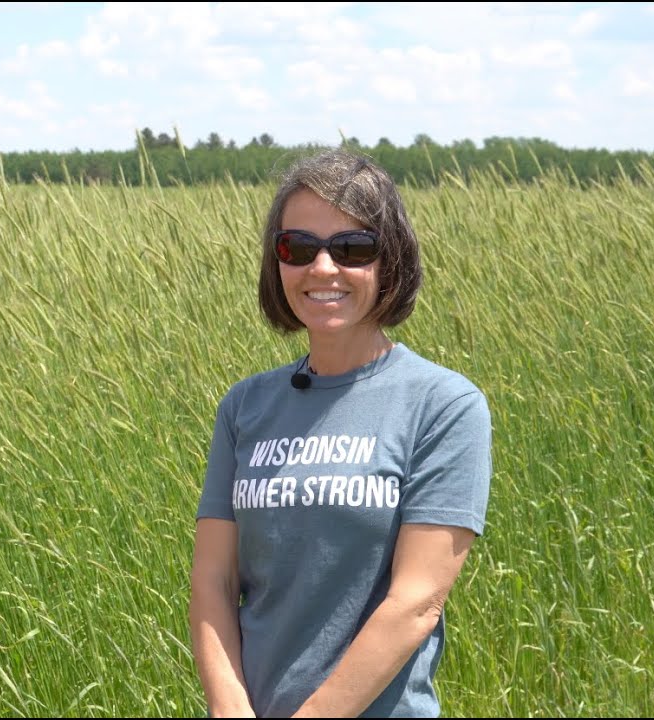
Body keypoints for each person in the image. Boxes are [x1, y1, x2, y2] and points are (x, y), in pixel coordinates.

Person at [189, 149, 492, 718]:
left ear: (391, 260)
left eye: (353, 248)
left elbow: (416, 603)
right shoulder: (245, 406)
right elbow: (213, 580)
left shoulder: (444, 404)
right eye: (297, 248)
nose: (322, 268)